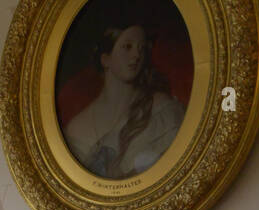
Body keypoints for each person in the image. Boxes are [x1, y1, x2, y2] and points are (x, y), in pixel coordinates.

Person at [62, 24, 184, 179]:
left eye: (141, 48)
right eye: (127, 47)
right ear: (105, 59)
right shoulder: (77, 128)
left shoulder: (162, 109)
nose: (136, 55)